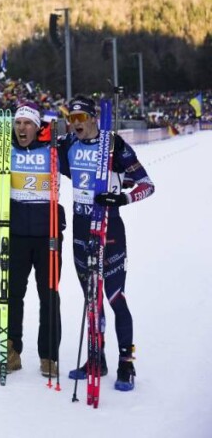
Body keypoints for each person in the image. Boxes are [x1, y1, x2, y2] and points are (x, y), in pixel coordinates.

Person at [57, 95, 155, 391]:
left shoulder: (113, 145)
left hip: (110, 229)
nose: (76, 124)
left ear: (93, 118)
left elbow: (148, 185)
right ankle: (95, 358)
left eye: (81, 118)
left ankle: (127, 361)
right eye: (71, 119)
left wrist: (121, 197)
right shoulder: (66, 146)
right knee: (91, 299)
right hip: (81, 229)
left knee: (114, 296)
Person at [0, 101, 64, 377]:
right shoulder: (5, 154)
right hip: (15, 234)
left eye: (28, 123)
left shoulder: (53, 150)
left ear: (37, 126)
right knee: (12, 296)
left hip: (48, 235)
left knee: (49, 296)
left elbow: (83, 171)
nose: (22, 128)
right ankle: (12, 351)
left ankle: (49, 356)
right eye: (18, 123)